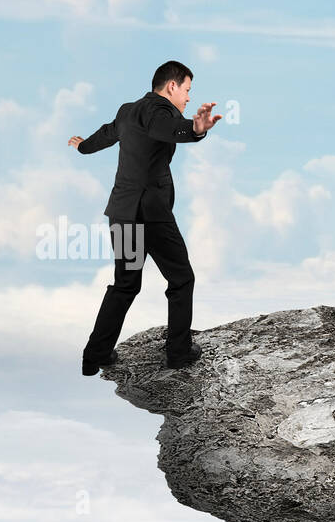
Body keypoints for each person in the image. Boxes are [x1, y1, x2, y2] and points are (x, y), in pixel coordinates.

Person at [70, 60, 222, 375]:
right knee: (182, 279)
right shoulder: (160, 112)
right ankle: (178, 354)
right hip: (150, 214)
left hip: (121, 212)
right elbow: (163, 129)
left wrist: (83, 146)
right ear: (171, 86)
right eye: (187, 90)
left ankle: (94, 356)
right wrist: (194, 129)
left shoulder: (128, 110)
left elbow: (107, 134)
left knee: (125, 284)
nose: (189, 98)